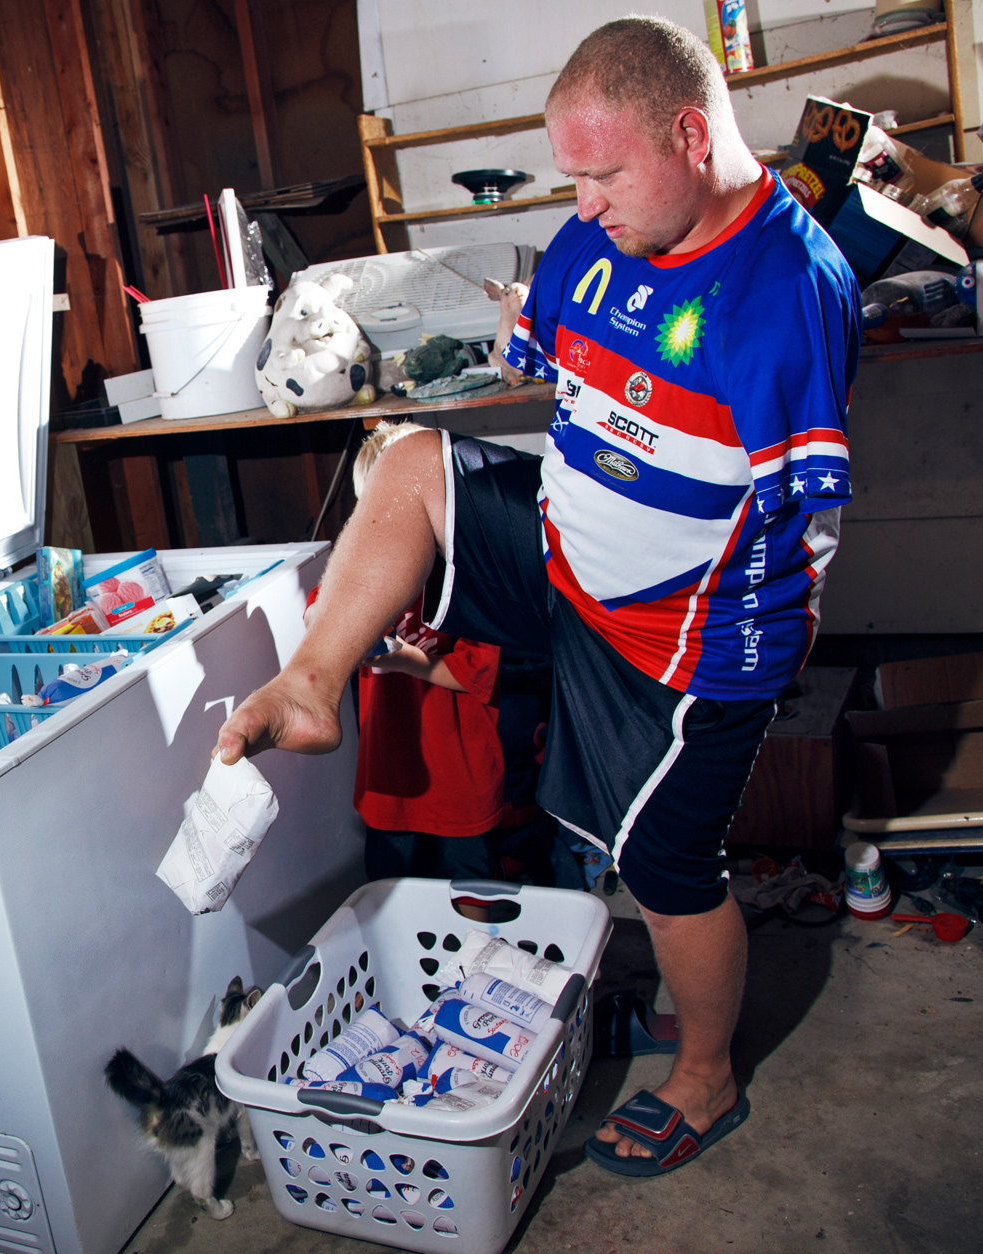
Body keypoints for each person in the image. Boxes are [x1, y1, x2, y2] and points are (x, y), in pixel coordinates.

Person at [215, 15, 857, 1179]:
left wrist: (713, 677)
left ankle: (705, 1078)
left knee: (666, 868)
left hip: (690, 634)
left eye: (606, 172)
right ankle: (310, 684)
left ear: (690, 133)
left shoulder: (785, 286)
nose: (586, 202)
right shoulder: (596, 238)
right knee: (411, 461)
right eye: (572, 175)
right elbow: (549, 376)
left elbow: (791, 521)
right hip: (570, 562)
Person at [311, 422, 507, 882]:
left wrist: (399, 657)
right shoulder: (358, 580)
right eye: (372, 521)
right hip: (390, 785)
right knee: (392, 900)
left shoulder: (474, 580)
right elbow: (316, 612)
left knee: (473, 899)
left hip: (462, 783)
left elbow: (475, 674)